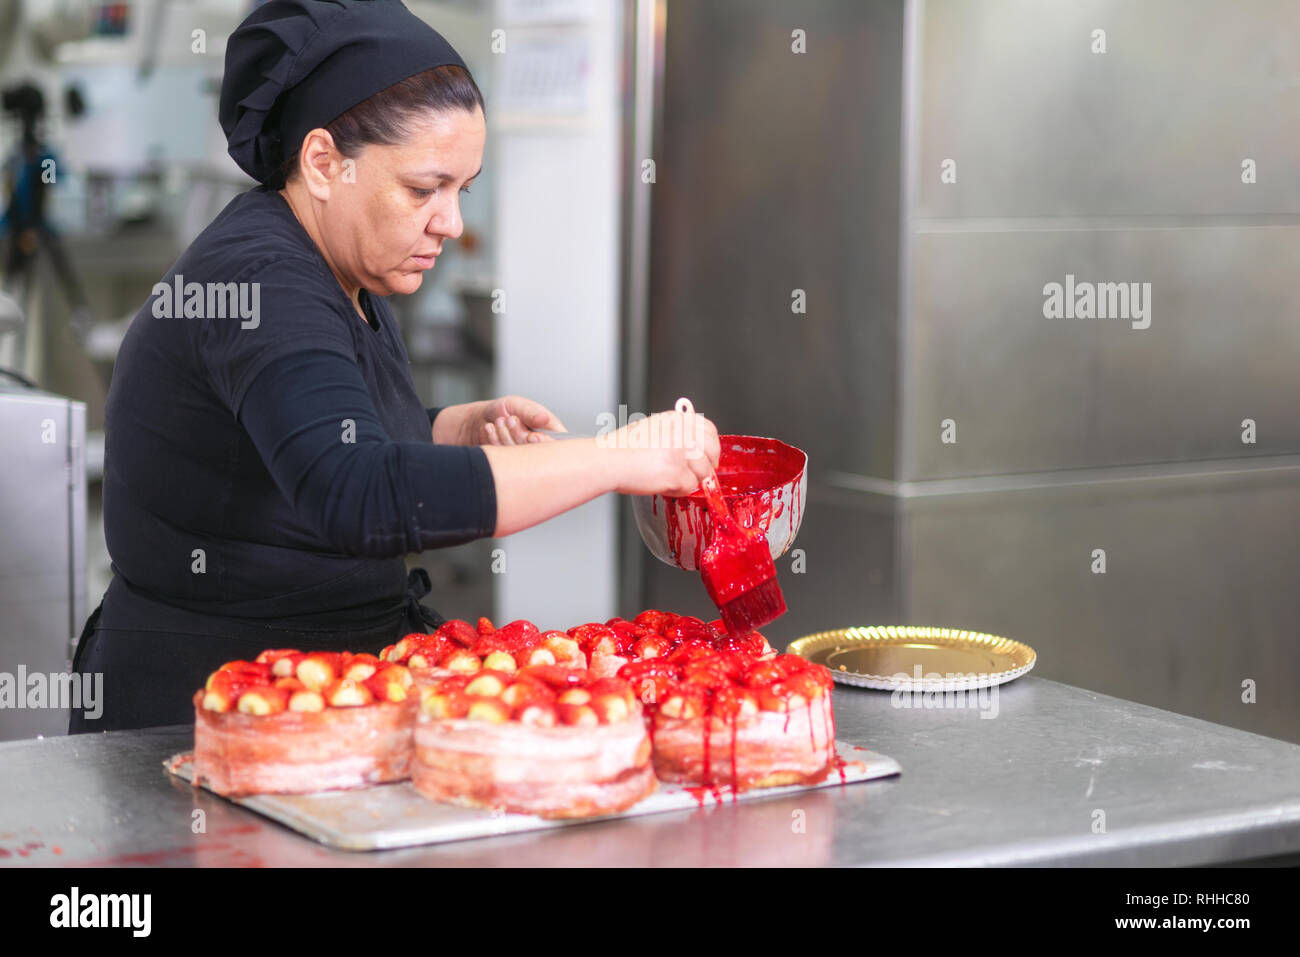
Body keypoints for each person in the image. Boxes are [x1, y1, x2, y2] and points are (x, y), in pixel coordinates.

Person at [69, 0, 718, 734]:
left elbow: (320, 438)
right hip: (208, 716)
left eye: (459, 191)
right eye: (423, 189)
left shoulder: (340, 266)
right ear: (322, 163)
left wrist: (447, 429)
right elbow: (352, 491)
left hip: (316, 695)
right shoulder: (260, 282)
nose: (451, 223)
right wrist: (616, 457)